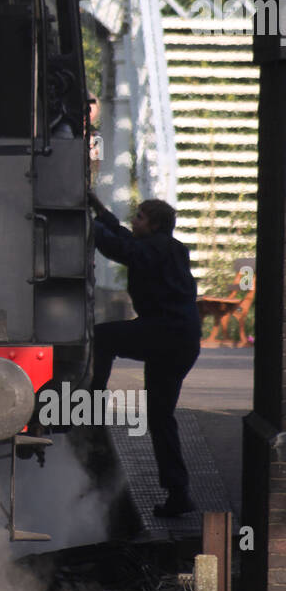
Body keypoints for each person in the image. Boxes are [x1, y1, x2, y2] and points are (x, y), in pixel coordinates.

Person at [88, 192, 200, 516]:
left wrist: (87, 225)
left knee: (102, 338)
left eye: (139, 216)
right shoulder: (167, 248)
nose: (133, 220)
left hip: (164, 333)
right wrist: (99, 209)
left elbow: (120, 247)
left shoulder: (155, 248)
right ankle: (179, 494)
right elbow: (125, 238)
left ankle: (90, 407)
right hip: (182, 339)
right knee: (161, 418)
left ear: (153, 225)